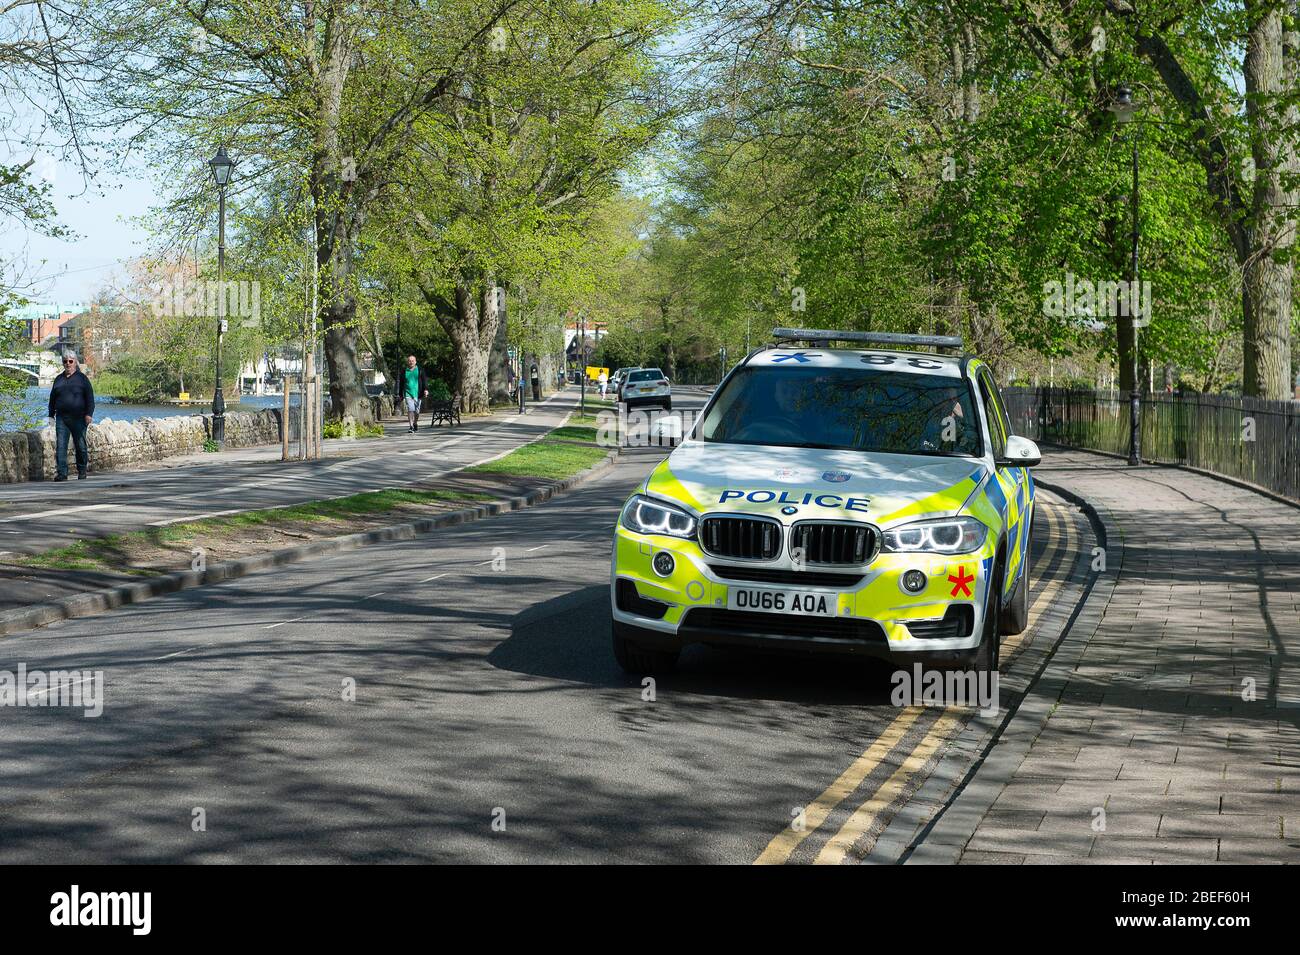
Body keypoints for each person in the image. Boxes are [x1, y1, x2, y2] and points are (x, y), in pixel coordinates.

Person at [48, 352, 95, 481]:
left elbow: (90, 398)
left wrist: (89, 414)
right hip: (62, 418)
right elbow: (52, 399)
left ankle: (82, 470)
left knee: (80, 445)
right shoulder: (58, 379)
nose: (68, 364)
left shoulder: (82, 379)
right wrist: (51, 415)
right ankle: (62, 473)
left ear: (75, 362)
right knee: (61, 446)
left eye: (70, 361)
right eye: (65, 361)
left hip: (79, 417)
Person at [401, 354, 427, 433]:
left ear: (415, 362)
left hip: (418, 394)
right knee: (410, 409)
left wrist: (426, 389)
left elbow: (424, 380)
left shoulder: (420, 370)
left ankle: (415, 423)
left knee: (417, 411)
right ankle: (411, 426)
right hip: (408, 393)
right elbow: (401, 383)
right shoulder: (404, 371)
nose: (411, 362)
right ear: (407, 362)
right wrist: (400, 394)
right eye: (409, 361)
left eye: (412, 361)